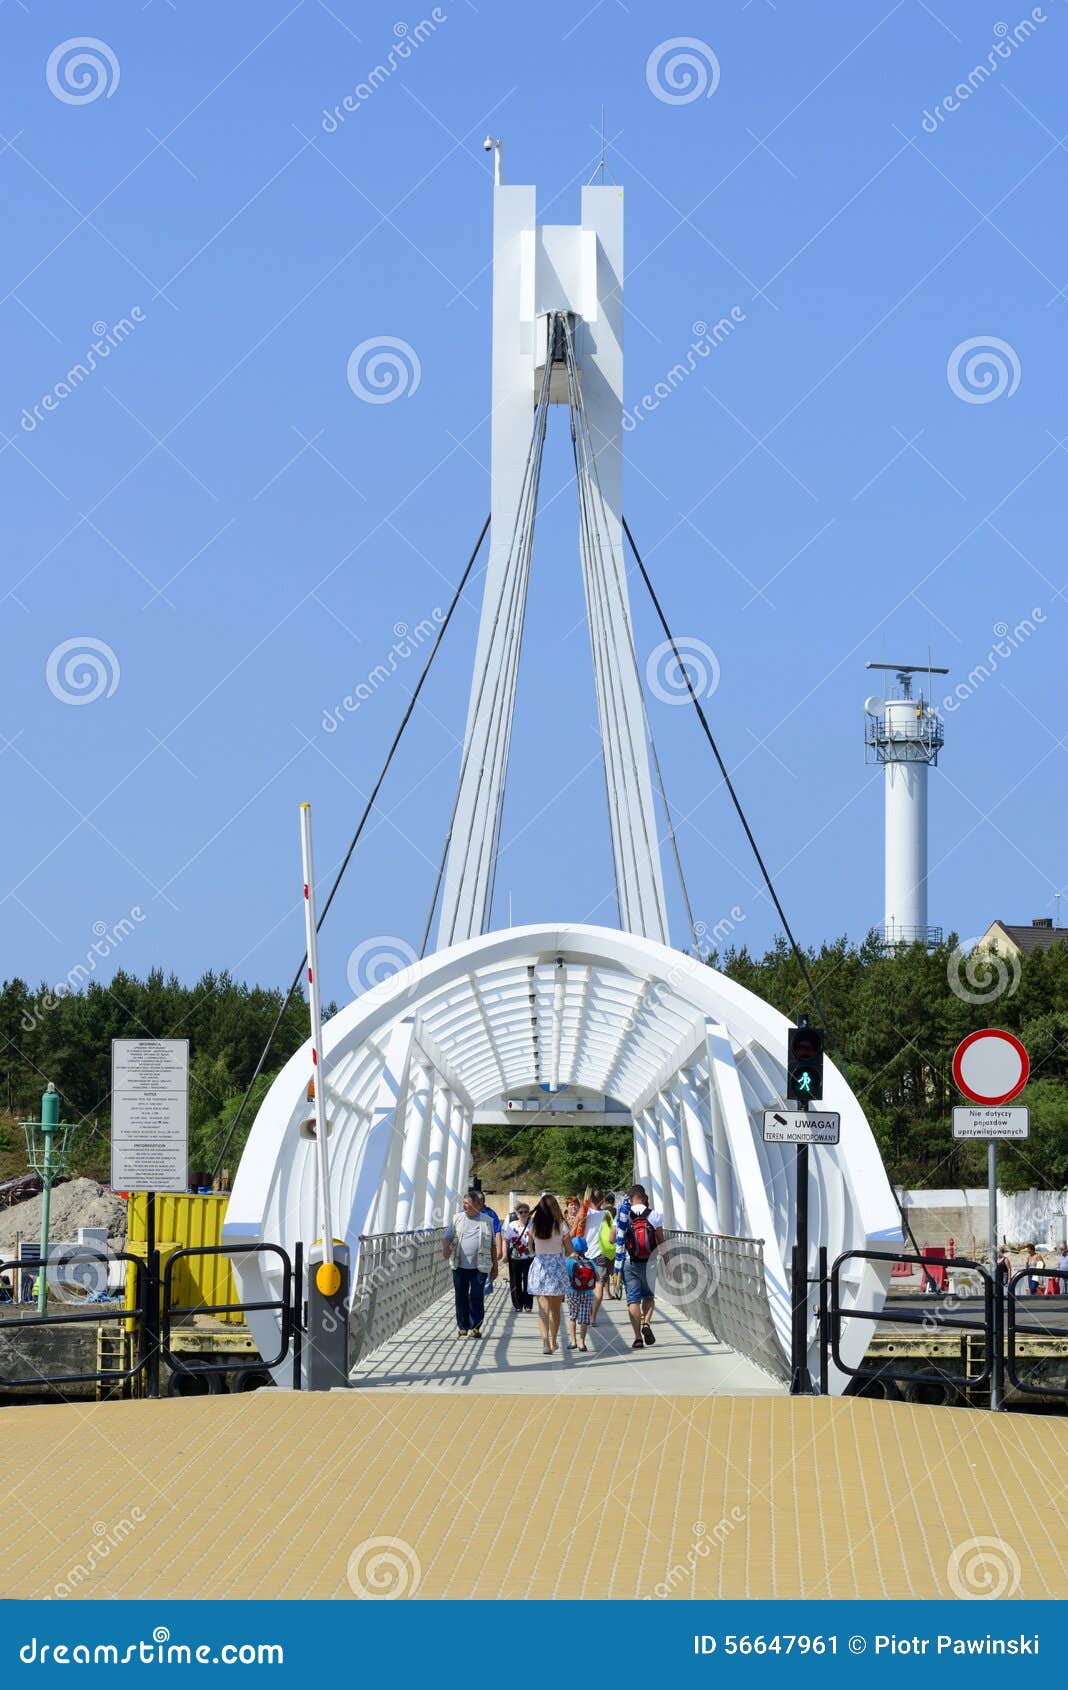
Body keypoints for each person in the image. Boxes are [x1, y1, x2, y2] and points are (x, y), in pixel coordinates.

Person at [442, 1188, 498, 1337]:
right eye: (463, 1203)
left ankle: (475, 1326)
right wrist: (445, 1248)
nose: (464, 1206)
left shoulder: (487, 1221)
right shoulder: (456, 1219)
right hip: (459, 1264)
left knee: (476, 1295)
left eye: (467, 1203)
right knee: (461, 1295)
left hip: (481, 1266)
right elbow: (447, 1236)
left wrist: (495, 1267)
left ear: (476, 1205)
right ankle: (463, 1326)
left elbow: (493, 1244)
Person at [527, 1193, 572, 1355]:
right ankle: (553, 1340)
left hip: (540, 1267)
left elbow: (530, 1247)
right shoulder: (561, 1225)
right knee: (555, 1310)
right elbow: (569, 1250)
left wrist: (539, 1252)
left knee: (542, 1309)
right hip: (557, 1268)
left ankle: (545, 1342)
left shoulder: (533, 1225)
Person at [621, 1184, 664, 1349]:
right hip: (650, 1262)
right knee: (648, 1296)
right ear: (644, 1198)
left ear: (630, 1199)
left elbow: (612, 1238)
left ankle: (638, 1338)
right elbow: (661, 1240)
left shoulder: (624, 1215)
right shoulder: (654, 1215)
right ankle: (646, 1323)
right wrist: (667, 1261)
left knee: (633, 1300)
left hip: (629, 1261)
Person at [565, 1236, 597, 1353]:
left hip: (572, 1292)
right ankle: (582, 1343)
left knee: (572, 1316)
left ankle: (573, 1342)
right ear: (586, 1249)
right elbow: (597, 1277)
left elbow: (565, 1277)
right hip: (587, 1293)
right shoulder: (591, 1262)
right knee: (584, 1318)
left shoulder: (568, 1262)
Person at [502, 1202, 534, 1312]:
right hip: (514, 1257)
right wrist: (505, 1255)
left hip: (529, 1257)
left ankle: (528, 1304)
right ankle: (518, 1305)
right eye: (521, 1212)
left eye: (526, 1212)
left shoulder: (532, 1224)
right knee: (515, 1281)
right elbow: (505, 1241)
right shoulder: (512, 1225)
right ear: (517, 1213)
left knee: (528, 1280)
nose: (523, 1214)